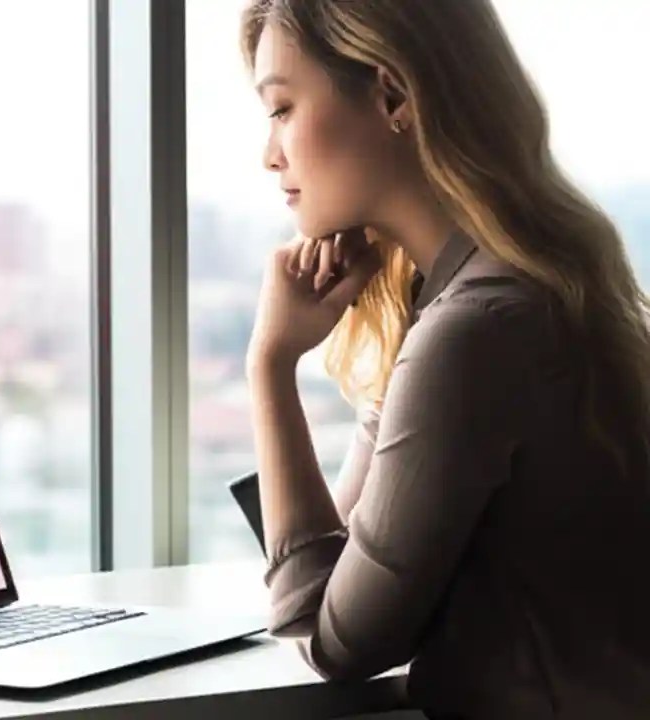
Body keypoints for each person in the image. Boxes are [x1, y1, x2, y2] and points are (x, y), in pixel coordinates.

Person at [239, 1, 650, 717]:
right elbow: (345, 575)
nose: (270, 155)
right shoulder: (502, 293)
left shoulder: (475, 332)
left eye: (281, 108)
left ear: (393, 94)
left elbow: (333, 636)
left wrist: (270, 369)